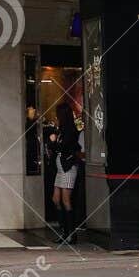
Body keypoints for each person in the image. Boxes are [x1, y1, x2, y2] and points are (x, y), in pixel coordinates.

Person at [51, 102, 83, 246]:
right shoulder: (61, 130)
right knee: (56, 199)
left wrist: (53, 143)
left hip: (68, 169)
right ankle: (64, 231)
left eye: (58, 114)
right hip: (60, 169)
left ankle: (71, 233)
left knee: (66, 200)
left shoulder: (70, 130)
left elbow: (63, 148)